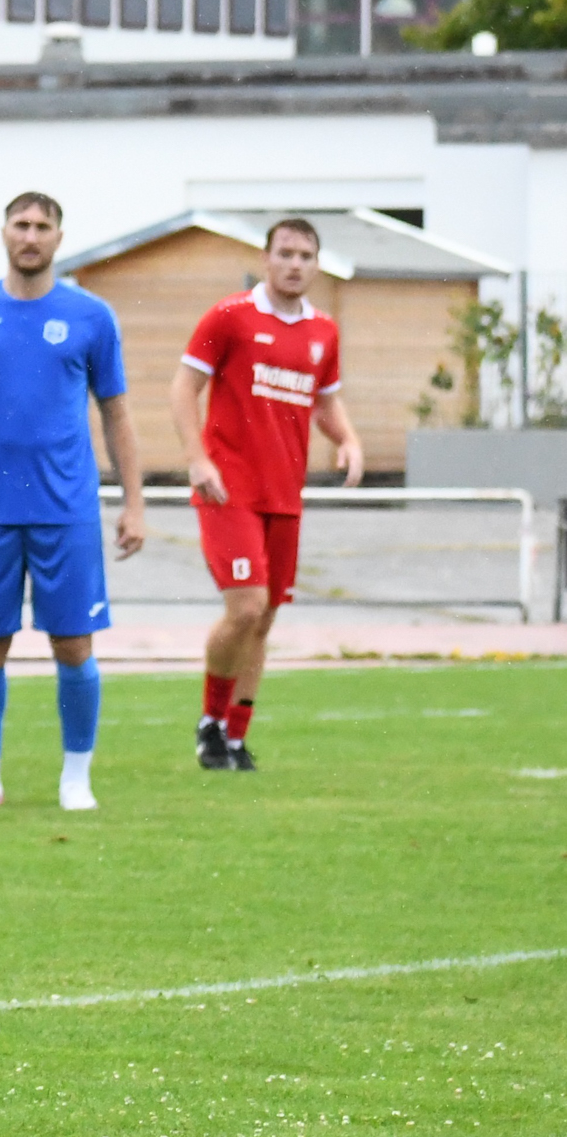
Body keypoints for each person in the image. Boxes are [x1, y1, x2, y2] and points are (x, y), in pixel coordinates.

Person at [0, 194, 146, 813]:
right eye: (22, 225)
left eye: (43, 226)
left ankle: (76, 777)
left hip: (66, 507)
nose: (31, 236)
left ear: (60, 237)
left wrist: (134, 502)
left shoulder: (92, 317)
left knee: (74, 644)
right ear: (4, 233)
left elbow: (116, 413)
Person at [174, 217, 362, 772]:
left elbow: (325, 401)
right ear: (266, 257)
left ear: (317, 263)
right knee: (246, 606)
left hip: (285, 494)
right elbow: (184, 387)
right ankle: (209, 721)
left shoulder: (323, 331)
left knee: (266, 617)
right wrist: (196, 457)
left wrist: (348, 439)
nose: (295, 264)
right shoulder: (231, 317)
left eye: (306, 255)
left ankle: (235, 736)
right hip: (228, 488)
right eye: (286, 253)